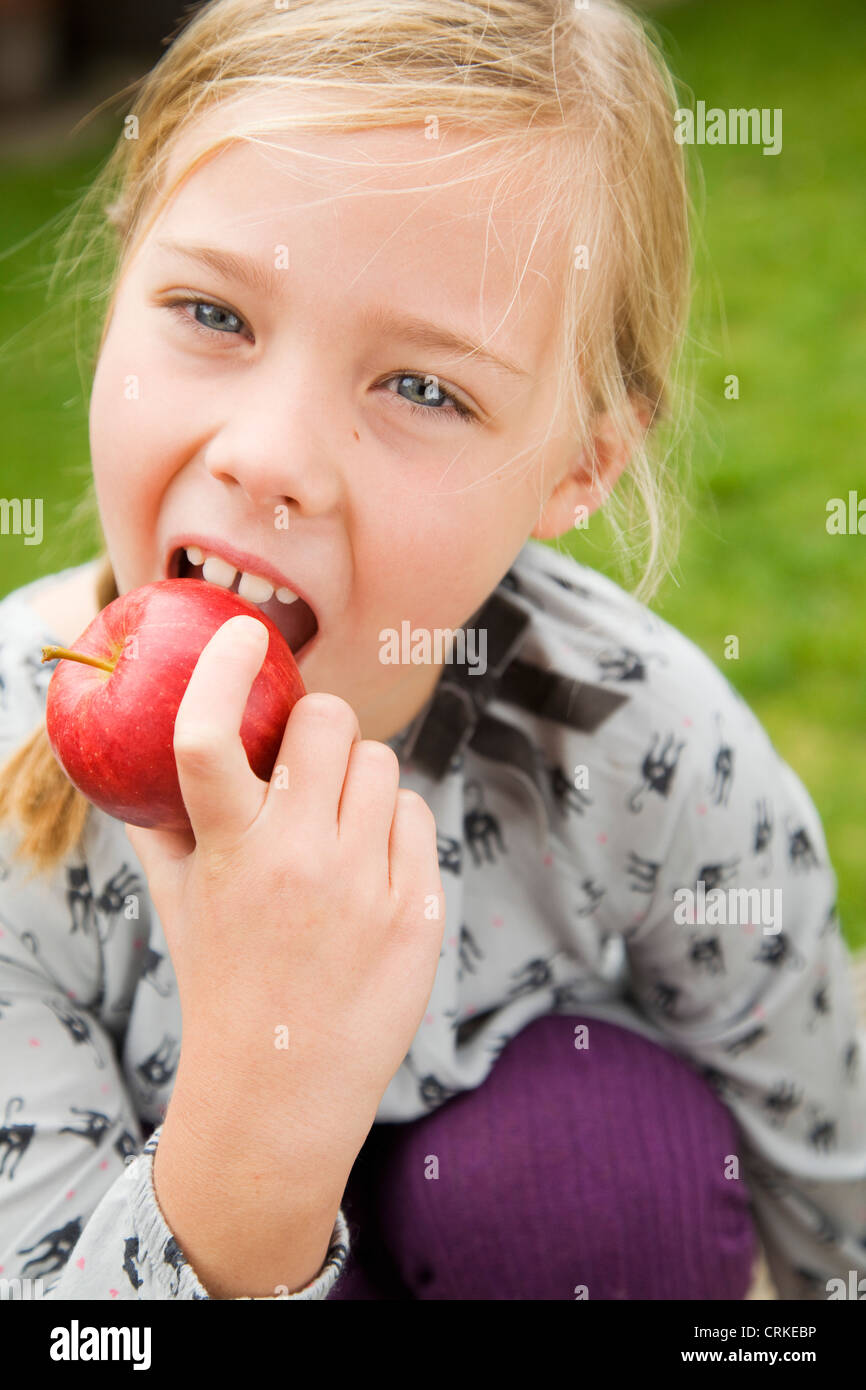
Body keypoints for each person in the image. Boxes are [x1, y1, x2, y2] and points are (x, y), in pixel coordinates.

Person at [1, 0, 863, 1301]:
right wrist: (252, 1128)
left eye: (422, 388)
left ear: (579, 463)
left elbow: (837, 1187)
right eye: (212, 313)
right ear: (121, 279)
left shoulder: (642, 748)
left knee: (590, 1165)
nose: (271, 454)